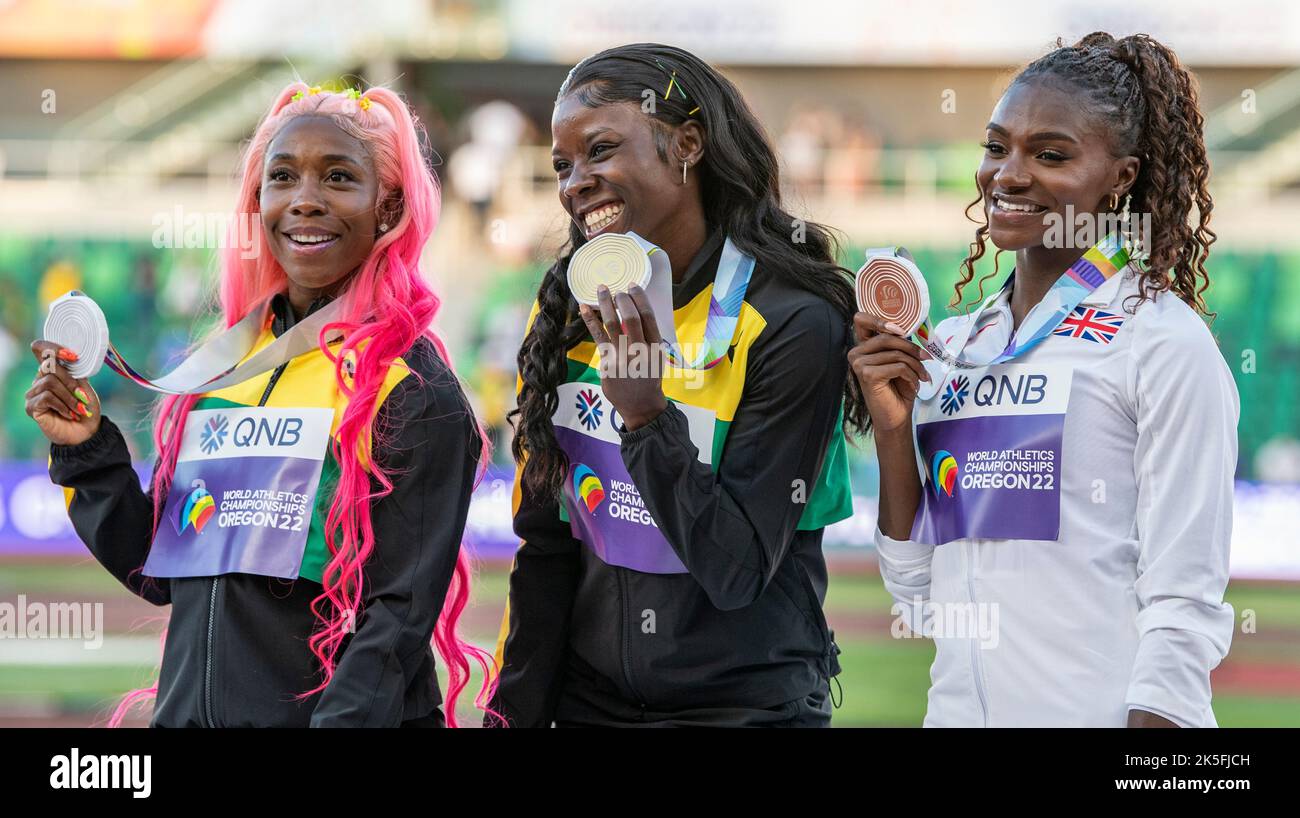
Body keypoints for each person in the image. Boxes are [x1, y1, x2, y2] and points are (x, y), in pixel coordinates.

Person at [26, 83, 494, 727]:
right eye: (282, 178)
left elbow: (396, 619)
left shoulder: (409, 385)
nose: (305, 200)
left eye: (337, 177)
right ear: (258, 204)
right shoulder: (225, 370)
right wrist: (87, 453)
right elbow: (161, 572)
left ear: (387, 209)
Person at [855, 33, 1238, 727]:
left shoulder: (1161, 341)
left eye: (1050, 154)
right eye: (997, 146)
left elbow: (1184, 603)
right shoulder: (954, 347)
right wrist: (892, 430)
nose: (1008, 174)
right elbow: (917, 593)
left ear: (1122, 176)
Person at [489, 43, 870, 727]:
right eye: (562, 164)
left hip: (743, 710)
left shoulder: (792, 322)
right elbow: (547, 548)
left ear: (688, 144)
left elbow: (736, 570)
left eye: (600, 150)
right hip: (588, 704)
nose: (576, 181)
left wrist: (646, 419)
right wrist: (509, 713)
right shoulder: (568, 315)